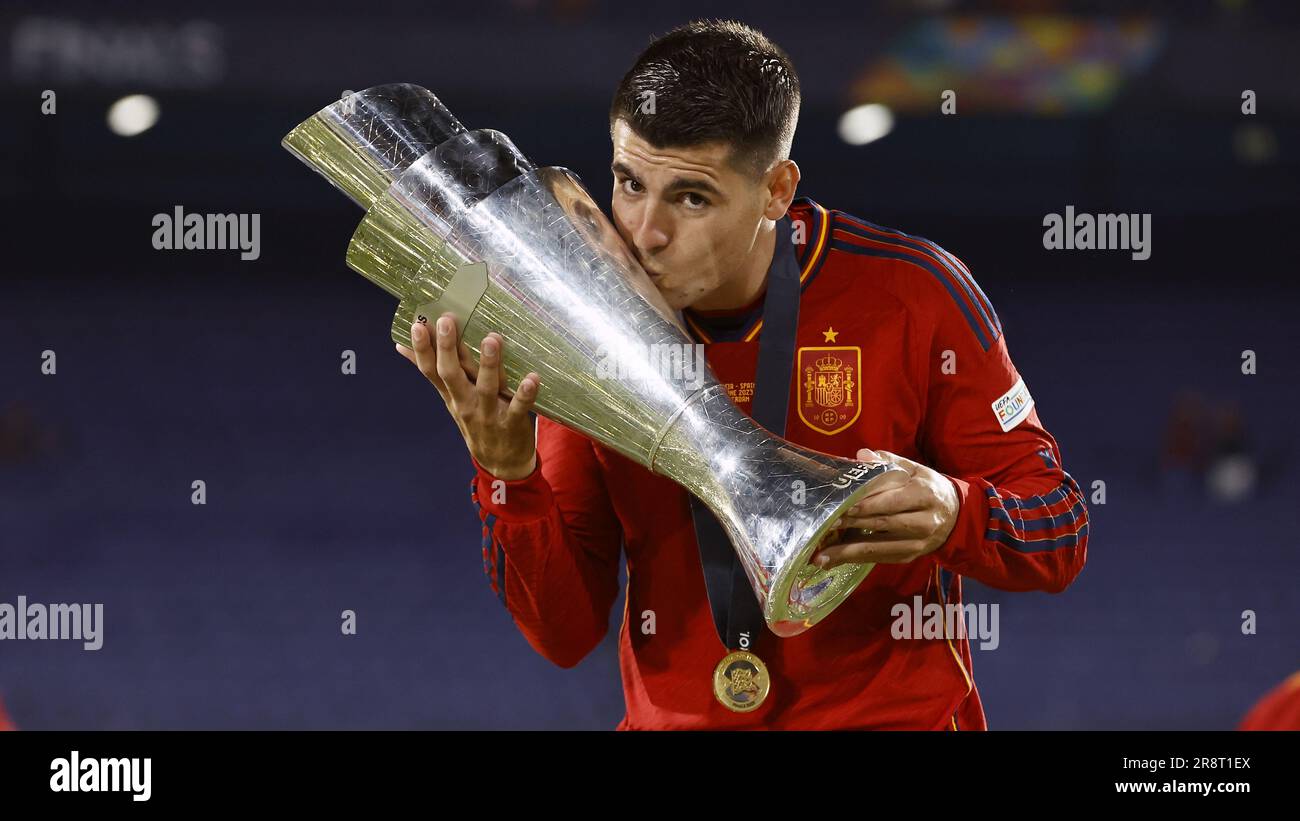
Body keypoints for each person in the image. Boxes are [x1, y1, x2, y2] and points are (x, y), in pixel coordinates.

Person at [396, 19, 1089, 729]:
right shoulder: (582, 323)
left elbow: (1060, 531)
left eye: (692, 197)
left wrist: (956, 511)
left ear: (776, 189)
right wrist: (508, 474)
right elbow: (565, 635)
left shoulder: (916, 295)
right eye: (629, 182)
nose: (645, 231)